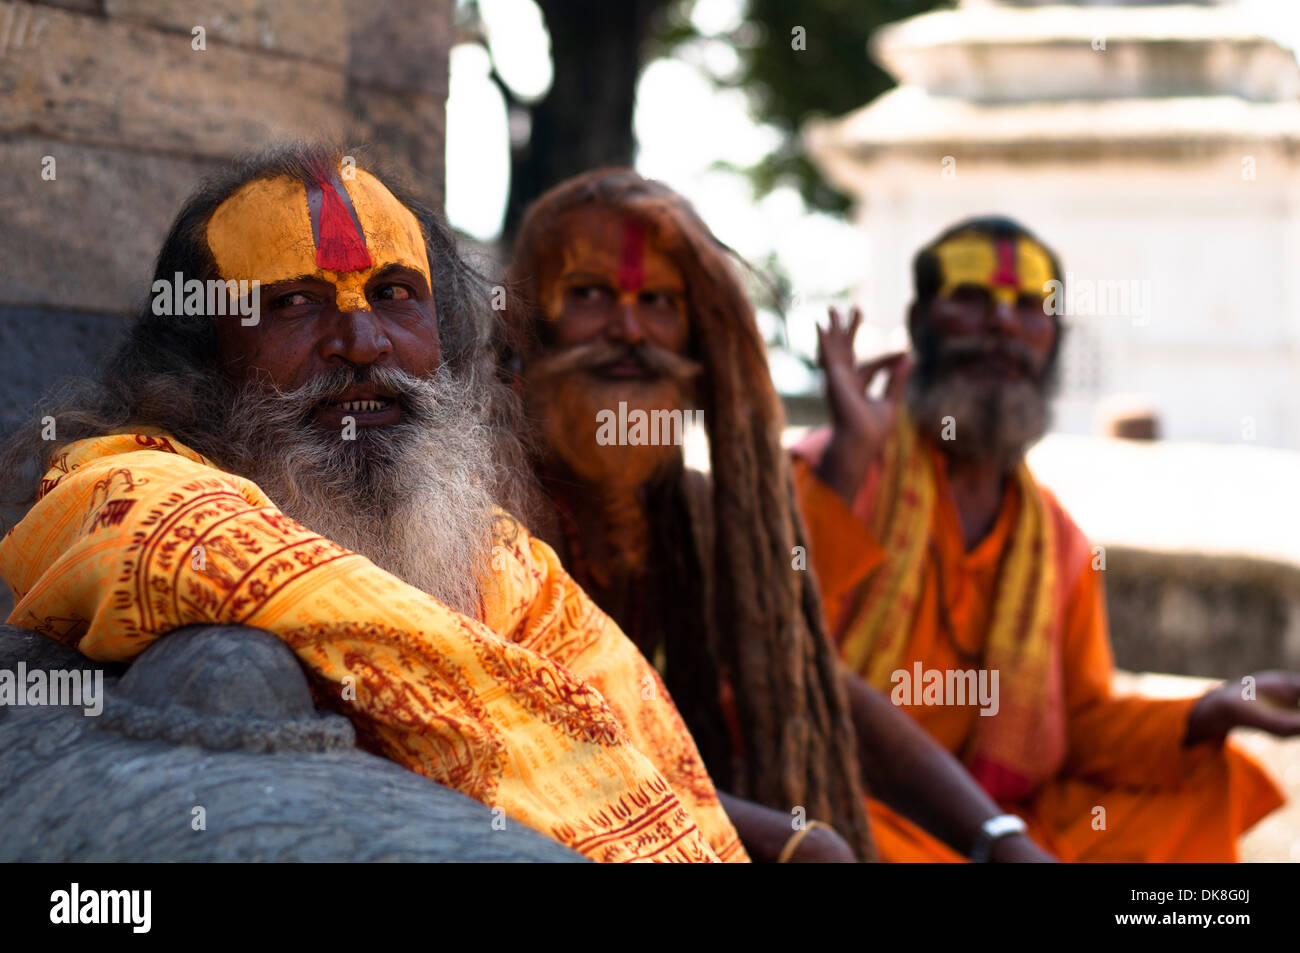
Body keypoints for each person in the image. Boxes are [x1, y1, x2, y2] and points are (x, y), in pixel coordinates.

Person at [0, 144, 745, 864]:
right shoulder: (118, 488)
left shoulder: (503, 563)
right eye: (295, 302)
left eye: (393, 294)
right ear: (205, 358)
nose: (361, 342)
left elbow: (650, 765)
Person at [502, 170, 1057, 862]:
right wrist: (791, 842)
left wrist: (998, 835)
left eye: (659, 302)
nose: (629, 328)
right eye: (589, 294)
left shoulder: (695, 510)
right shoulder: (485, 507)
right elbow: (540, 740)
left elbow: (799, 662)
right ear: (523, 319)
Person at [794, 215, 1295, 861]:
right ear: (921, 322)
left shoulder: (1056, 539)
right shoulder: (842, 469)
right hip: (864, 799)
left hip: (1004, 813)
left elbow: (1082, 723)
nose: (1003, 323)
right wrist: (847, 457)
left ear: (1054, 342)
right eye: (973, 300)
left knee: (1203, 783)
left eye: (1029, 307)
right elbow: (779, 656)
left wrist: (1210, 710)